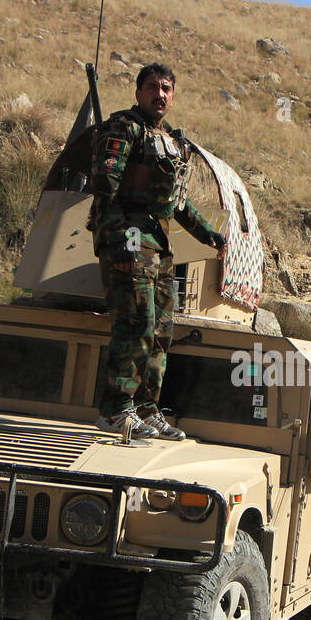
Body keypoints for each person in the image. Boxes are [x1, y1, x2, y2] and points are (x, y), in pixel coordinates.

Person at [89, 63, 227, 440]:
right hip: (130, 235)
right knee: (136, 321)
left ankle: (147, 409)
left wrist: (209, 235)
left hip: (159, 242)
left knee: (161, 330)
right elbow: (105, 187)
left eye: (167, 88)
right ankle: (117, 408)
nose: (160, 94)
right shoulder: (125, 128)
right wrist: (118, 242)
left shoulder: (172, 142)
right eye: (153, 87)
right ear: (138, 92)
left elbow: (177, 203)